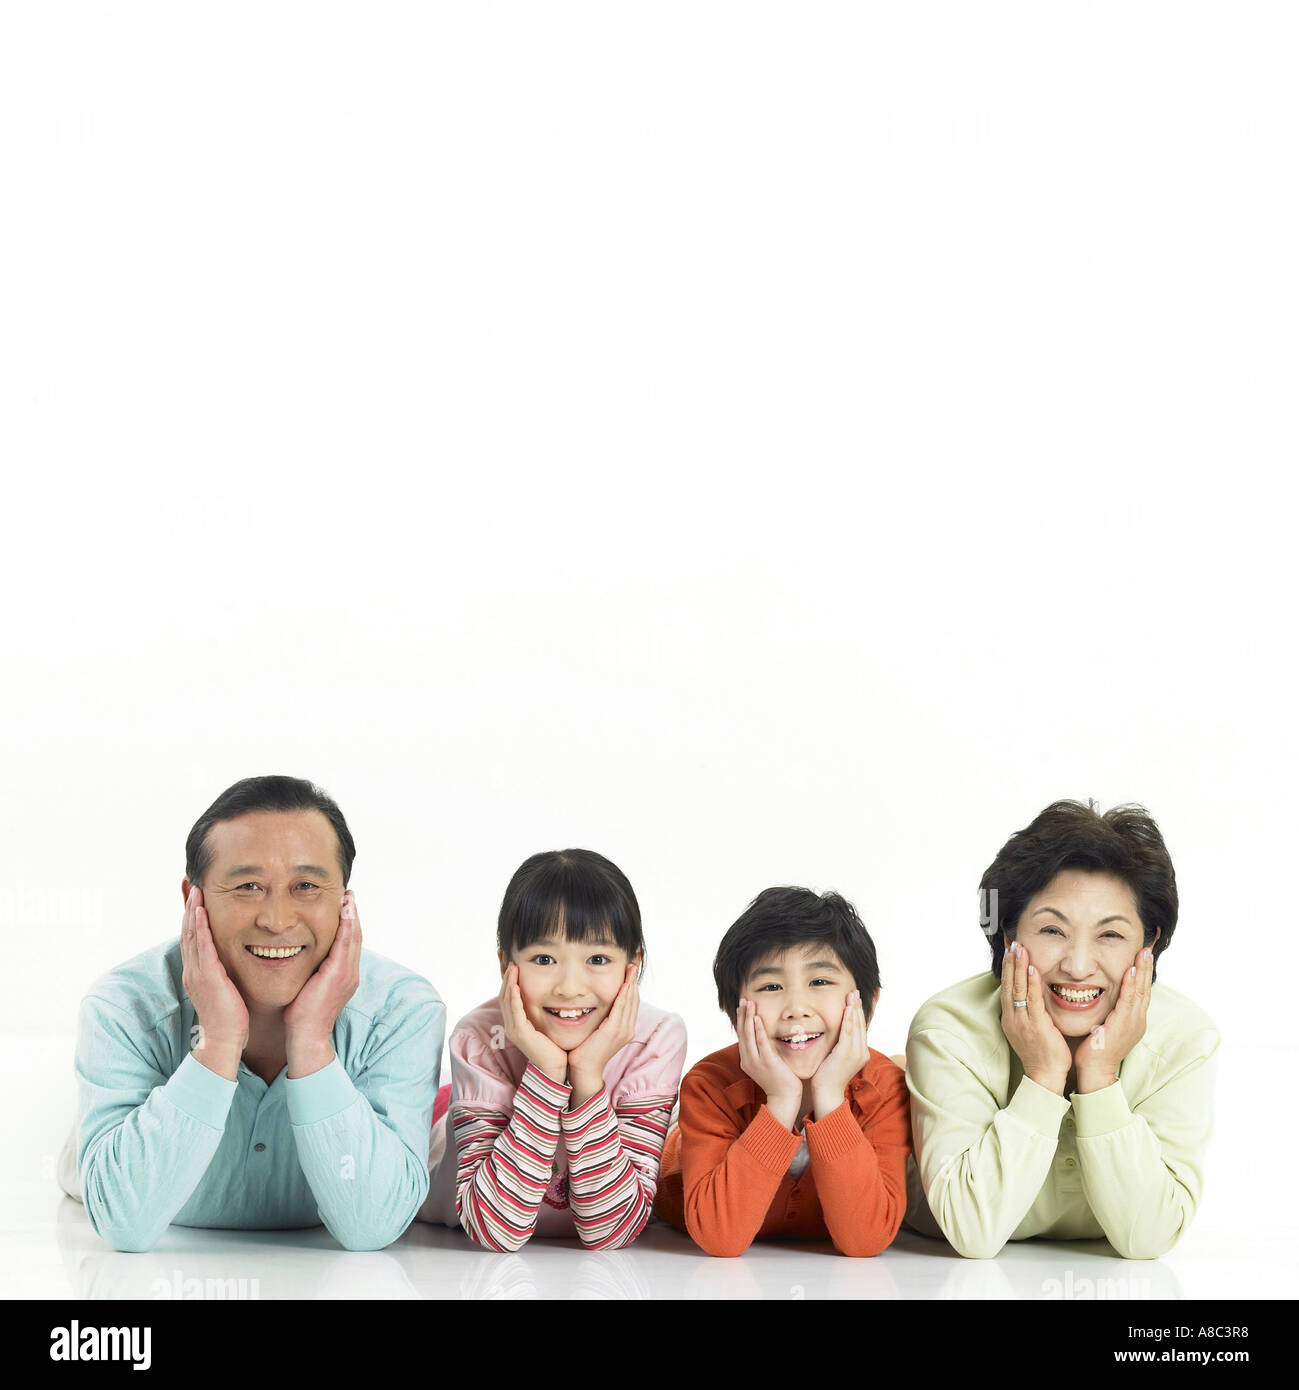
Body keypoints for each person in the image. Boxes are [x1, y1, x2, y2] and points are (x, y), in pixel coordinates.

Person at [59, 775, 444, 1253]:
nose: (277, 920)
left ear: (345, 899)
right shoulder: (123, 1006)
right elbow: (123, 1222)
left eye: (306, 885)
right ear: (192, 899)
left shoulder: (402, 1010)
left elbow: (372, 1226)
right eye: (247, 886)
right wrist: (218, 1042)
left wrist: (311, 1042)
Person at [904, 799, 1219, 1260]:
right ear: (1010, 935)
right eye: (1052, 930)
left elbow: (1148, 1239)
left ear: (1148, 944)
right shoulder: (949, 1029)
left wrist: (1101, 1075)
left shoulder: (1185, 1038)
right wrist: (1044, 1073)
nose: (1076, 966)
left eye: (1110, 935)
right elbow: (971, 1232)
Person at [417, 849, 686, 1250]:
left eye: (598, 958)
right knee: (437, 1107)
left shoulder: (656, 1037)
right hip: (446, 1126)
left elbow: (612, 1231)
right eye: (544, 958)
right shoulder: (477, 1038)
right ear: (506, 965)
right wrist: (545, 1069)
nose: (570, 987)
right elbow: (496, 1231)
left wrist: (588, 1074)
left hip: (557, 1098)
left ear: (633, 965)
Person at [654, 887, 911, 1257]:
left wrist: (830, 1098)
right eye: (771, 986)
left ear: (867, 1001)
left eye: (820, 982)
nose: (796, 1008)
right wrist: (781, 1100)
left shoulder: (884, 1088)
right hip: (678, 1154)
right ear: (733, 1010)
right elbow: (720, 1238)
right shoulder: (708, 1084)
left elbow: (865, 1240)